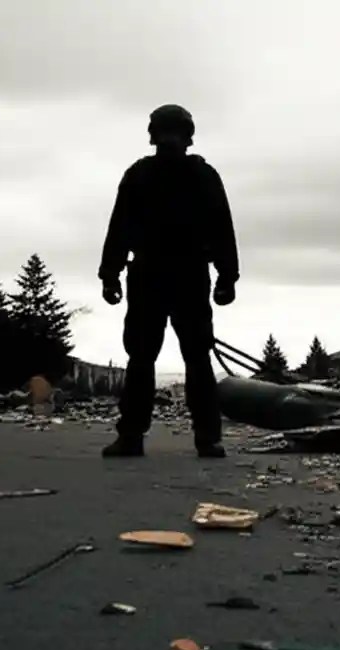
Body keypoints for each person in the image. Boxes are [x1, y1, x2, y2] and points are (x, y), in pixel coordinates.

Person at [97, 104, 239, 458]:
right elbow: (222, 228)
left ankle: (135, 436)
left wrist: (110, 274)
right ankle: (205, 438)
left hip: (157, 275)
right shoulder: (196, 175)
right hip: (179, 275)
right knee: (187, 357)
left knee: (151, 358)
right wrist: (226, 276)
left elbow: (120, 227)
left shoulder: (144, 174)